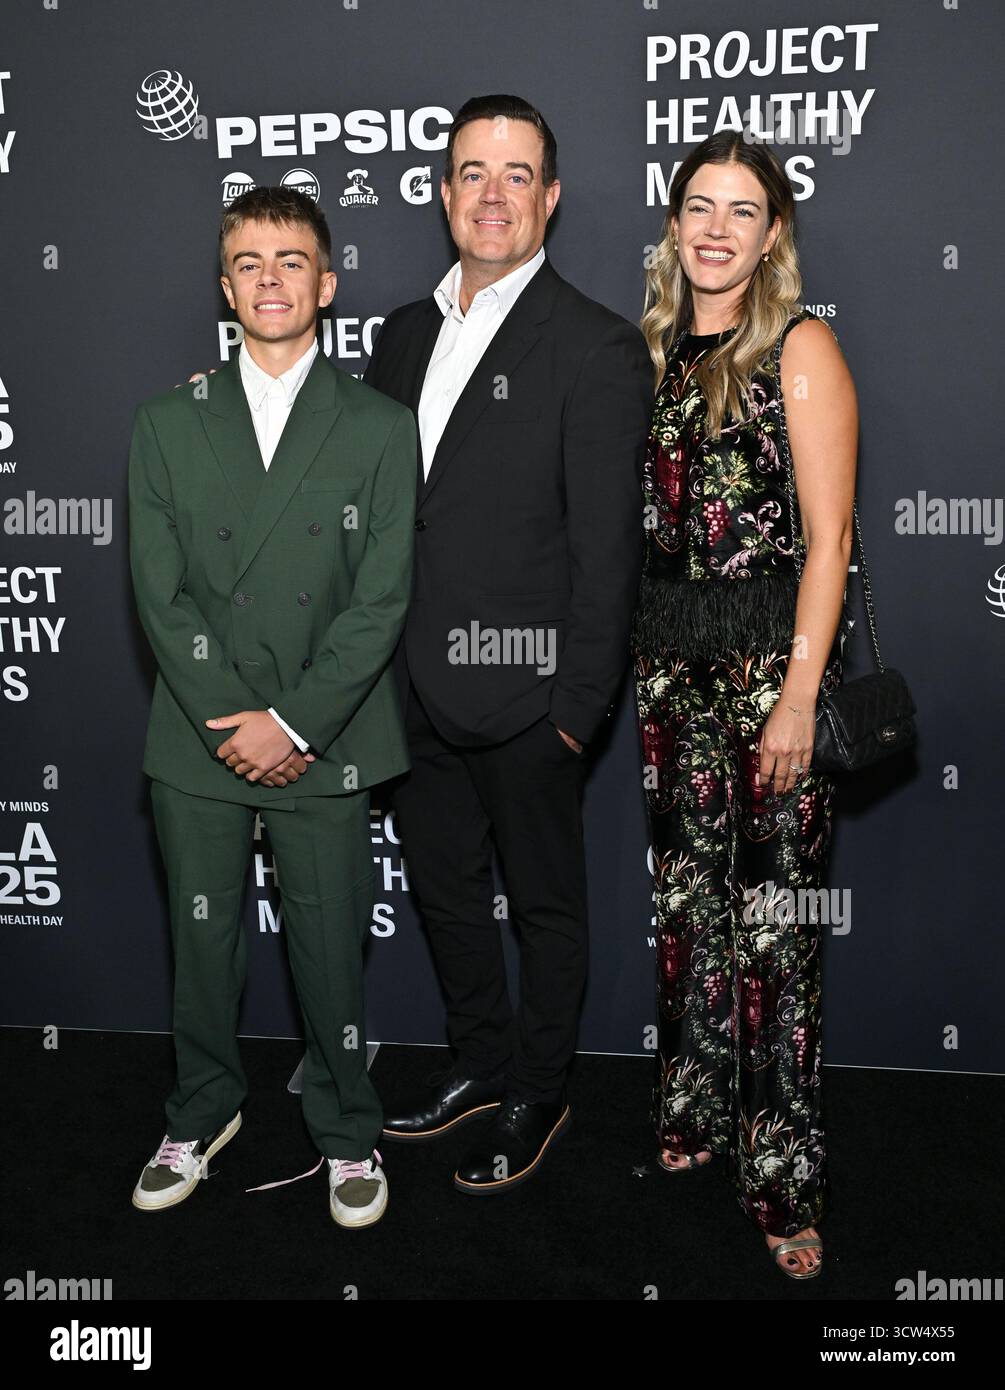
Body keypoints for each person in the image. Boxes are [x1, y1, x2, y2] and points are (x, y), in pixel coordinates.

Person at [365, 95, 652, 1192]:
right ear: (444, 195)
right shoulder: (399, 334)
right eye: (473, 173)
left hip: (533, 700)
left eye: (517, 174)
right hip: (409, 694)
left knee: (545, 906)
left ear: (553, 197)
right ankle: (480, 1061)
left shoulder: (594, 345)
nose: (493, 194)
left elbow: (607, 549)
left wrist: (577, 707)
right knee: (444, 891)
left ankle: (541, 1087)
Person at [127, 186, 416, 1228]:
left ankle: (348, 1128)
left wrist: (291, 725)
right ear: (225, 287)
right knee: (202, 948)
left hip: (323, 737)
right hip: (200, 734)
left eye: (291, 261)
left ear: (328, 283)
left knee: (331, 948)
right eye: (248, 262)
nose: (270, 280)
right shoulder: (166, 420)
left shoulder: (381, 427)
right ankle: (201, 1109)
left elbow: (383, 596)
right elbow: (158, 594)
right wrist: (235, 720)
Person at [632, 131, 857, 1278]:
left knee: (776, 935)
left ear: (773, 235)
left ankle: (784, 1180)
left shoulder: (801, 347)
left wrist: (799, 700)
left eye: (743, 210)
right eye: (699, 207)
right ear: (675, 225)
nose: (717, 228)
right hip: (669, 673)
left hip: (775, 674)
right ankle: (696, 1115)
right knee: (689, 916)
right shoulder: (656, 347)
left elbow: (831, 543)